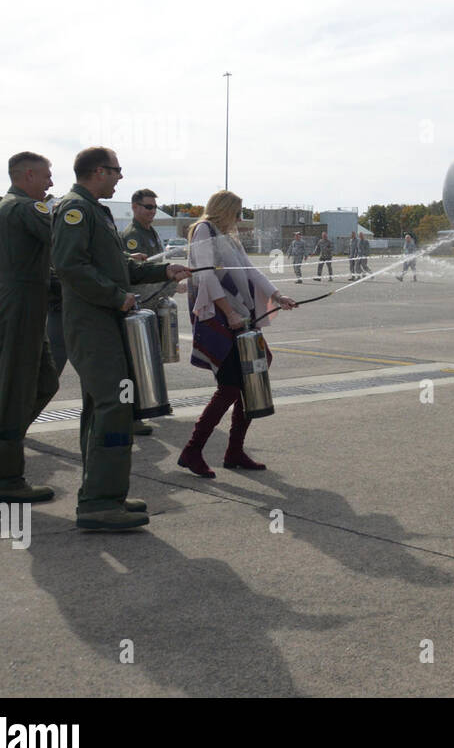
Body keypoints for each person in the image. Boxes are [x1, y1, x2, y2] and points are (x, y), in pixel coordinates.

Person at [52, 147, 190, 530]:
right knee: (114, 405)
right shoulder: (75, 209)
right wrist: (116, 297)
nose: (120, 177)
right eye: (116, 170)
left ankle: (104, 492)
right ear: (99, 171)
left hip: (104, 321)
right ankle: (98, 503)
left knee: (104, 407)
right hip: (92, 323)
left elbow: (116, 267)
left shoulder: (95, 211)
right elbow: (70, 266)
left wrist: (163, 271)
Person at [0, 154, 60, 501]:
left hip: (20, 307)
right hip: (18, 308)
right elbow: (65, 240)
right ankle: (6, 479)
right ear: (28, 175)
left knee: (45, 382)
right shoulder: (24, 208)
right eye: (47, 176)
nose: (50, 183)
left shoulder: (12, 208)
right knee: (16, 393)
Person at [179, 190, 295, 477]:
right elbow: (206, 275)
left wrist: (277, 296)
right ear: (225, 209)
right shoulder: (204, 231)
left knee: (252, 374)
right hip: (220, 317)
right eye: (238, 213)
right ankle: (193, 450)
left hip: (240, 316)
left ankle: (234, 451)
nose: (240, 219)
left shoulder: (228, 236)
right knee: (230, 386)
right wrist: (229, 312)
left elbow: (250, 270)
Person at [120, 188, 175, 437]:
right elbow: (136, 276)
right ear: (134, 207)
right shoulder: (132, 236)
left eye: (155, 207)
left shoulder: (150, 232)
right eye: (148, 207)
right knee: (133, 363)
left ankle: (146, 406)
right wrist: (170, 285)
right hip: (139, 306)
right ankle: (132, 415)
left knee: (149, 360)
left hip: (151, 305)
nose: (153, 211)